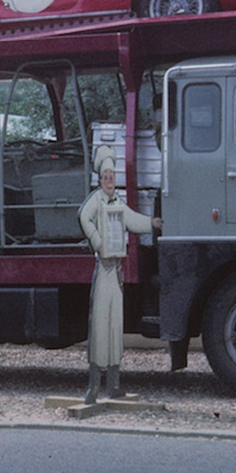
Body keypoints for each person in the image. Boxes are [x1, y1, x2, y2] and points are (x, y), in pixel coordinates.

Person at [77, 146, 163, 402]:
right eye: (106, 177)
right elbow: (84, 218)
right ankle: (94, 385)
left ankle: (114, 384)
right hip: (103, 269)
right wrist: (99, 243)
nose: (109, 181)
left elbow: (132, 219)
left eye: (112, 176)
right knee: (100, 327)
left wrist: (151, 223)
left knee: (115, 326)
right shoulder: (96, 200)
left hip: (117, 271)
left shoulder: (117, 203)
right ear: (100, 179)